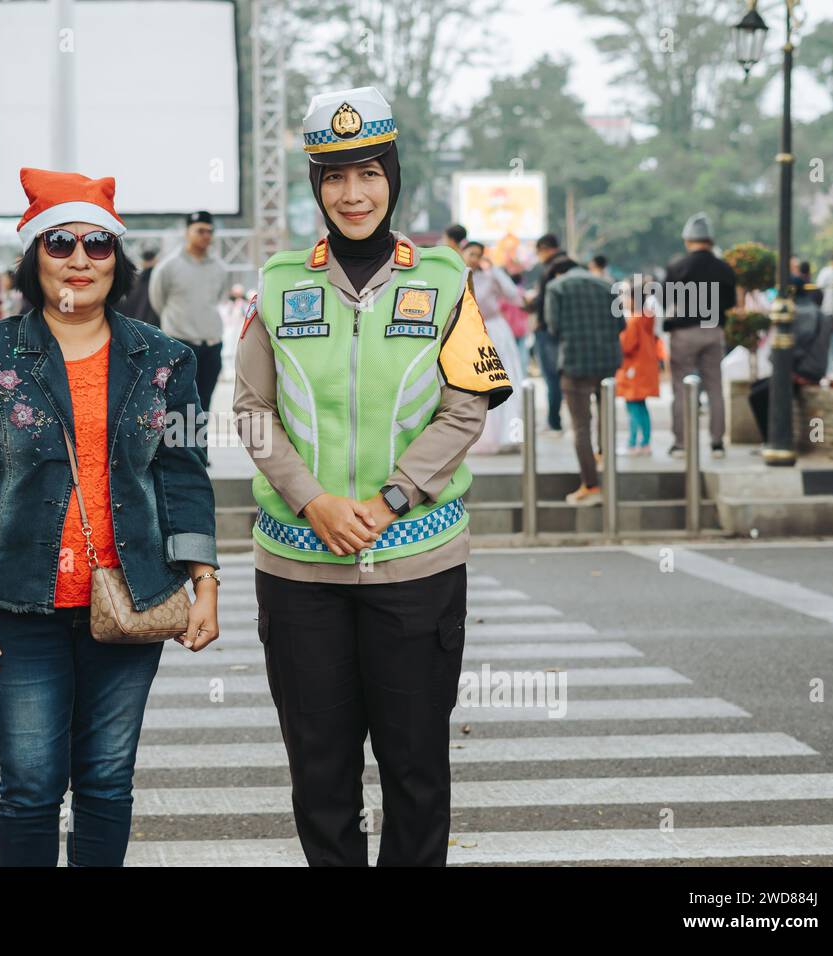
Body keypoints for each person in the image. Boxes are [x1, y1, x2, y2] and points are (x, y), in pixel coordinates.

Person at [234, 86, 512, 867]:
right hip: (298, 570)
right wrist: (313, 500)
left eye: (368, 174)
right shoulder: (281, 284)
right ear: (315, 186)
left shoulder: (450, 282)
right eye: (333, 176)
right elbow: (253, 411)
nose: (352, 194)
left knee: (417, 769)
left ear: (394, 177)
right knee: (320, 775)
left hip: (416, 566)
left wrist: (392, 499)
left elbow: (464, 412)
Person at [0, 167, 220, 867]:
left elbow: (183, 472)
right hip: (18, 602)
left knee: (107, 783)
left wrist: (205, 581)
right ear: (33, 258)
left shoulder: (164, 359)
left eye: (98, 246)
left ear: (117, 261)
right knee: (30, 786)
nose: (80, 260)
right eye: (60, 244)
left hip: (131, 597)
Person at [544, 256, 623, 503]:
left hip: (574, 363)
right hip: (607, 360)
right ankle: (603, 460)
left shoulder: (556, 287)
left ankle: (591, 485)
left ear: (558, 272)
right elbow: (621, 324)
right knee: (606, 417)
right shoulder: (607, 284)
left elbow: (553, 327)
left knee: (581, 426)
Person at [663, 212, 736, 459]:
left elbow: (666, 300)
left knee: (681, 387)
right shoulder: (724, 268)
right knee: (715, 387)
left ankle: (681, 444)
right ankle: (717, 443)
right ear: (711, 241)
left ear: (687, 240)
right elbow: (730, 302)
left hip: (683, 332)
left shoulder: (677, 267)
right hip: (714, 331)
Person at [148, 211, 227, 416]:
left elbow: (216, 299)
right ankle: (182, 449)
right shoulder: (169, 266)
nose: (206, 236)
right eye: (200, 231)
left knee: (204, 408)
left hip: (211, 346)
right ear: (187, 232)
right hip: (180, 346)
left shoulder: (219, 267)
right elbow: (158, 301)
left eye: (209, 231)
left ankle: (200, 449)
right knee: (178, 408)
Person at [749, 275, 831, 444]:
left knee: (757, 395)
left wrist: (777, 362)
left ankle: (774, 440)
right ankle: (772, 438)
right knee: (756, 388)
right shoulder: (806, 309)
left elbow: (795, 347)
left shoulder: (802, 312)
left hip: (805, 370)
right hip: (803, 367)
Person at [463, 241, 525, 453]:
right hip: (472, 332)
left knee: (506, 381)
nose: (474, 258)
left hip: (496, 332)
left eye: (478, 255)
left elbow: (513, 295)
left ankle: (510, 435)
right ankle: (483, 436)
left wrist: (496, 271)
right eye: (471, 253)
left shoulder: (490, 277)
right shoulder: (457, 276)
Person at [524, 233, 569, 437]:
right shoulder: (569, 265)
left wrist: (529, 304)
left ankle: (554, 422)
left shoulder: (552, 268)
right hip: (564, 329)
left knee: (552, 378)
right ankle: (555, 421)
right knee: (560, 377)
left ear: (546, 249)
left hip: (547, 330)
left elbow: (543, 301)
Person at [615, 278, 661, 457]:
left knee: (633, 407)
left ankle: (633, 442)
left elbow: (626, 346)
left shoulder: (634, 321)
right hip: (645, 367)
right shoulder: (647, 317)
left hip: (633, 370)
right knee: (642, 407)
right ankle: (646, 442)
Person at [119, 247, 161, 328]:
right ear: (156, 261)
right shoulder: (159, 279)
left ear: (142, 262)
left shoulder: (134, 281)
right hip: (155, 327)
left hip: (136, 325)